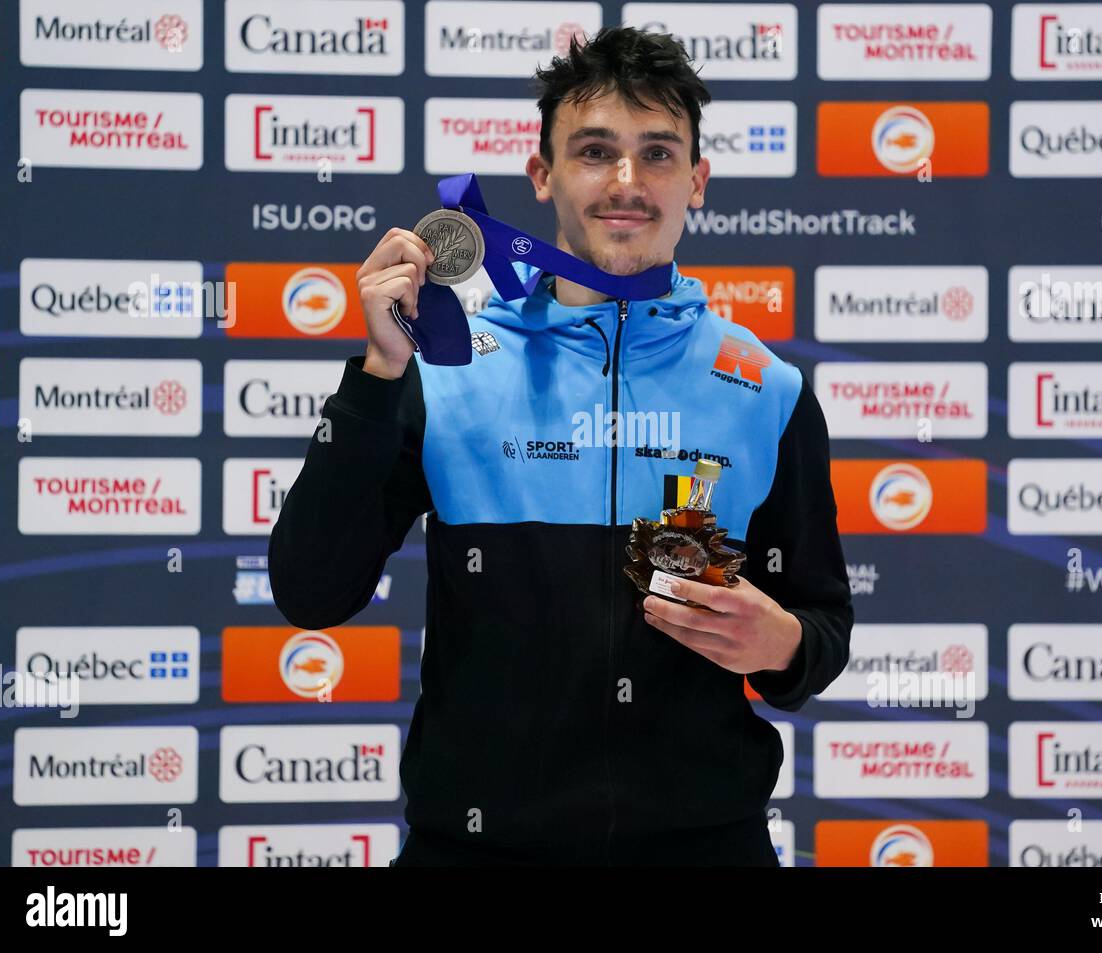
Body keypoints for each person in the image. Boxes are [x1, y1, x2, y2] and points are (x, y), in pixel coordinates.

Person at [268, 25, 853, 867]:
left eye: (657, 153)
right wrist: (374, 377)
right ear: (542, 175)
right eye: (594, 151)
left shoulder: (765, 390)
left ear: (697, 181)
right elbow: (310, 592)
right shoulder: (445, 372)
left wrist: (787, 645)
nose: (627, 182)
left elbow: (823, 622)